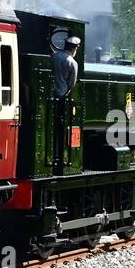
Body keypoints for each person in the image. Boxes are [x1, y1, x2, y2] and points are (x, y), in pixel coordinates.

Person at [51, 35, 80, 175]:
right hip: (61, 97)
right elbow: (71, 84)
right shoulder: (72, 62)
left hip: (49, 95)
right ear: (74, 49)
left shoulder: (54, 56)